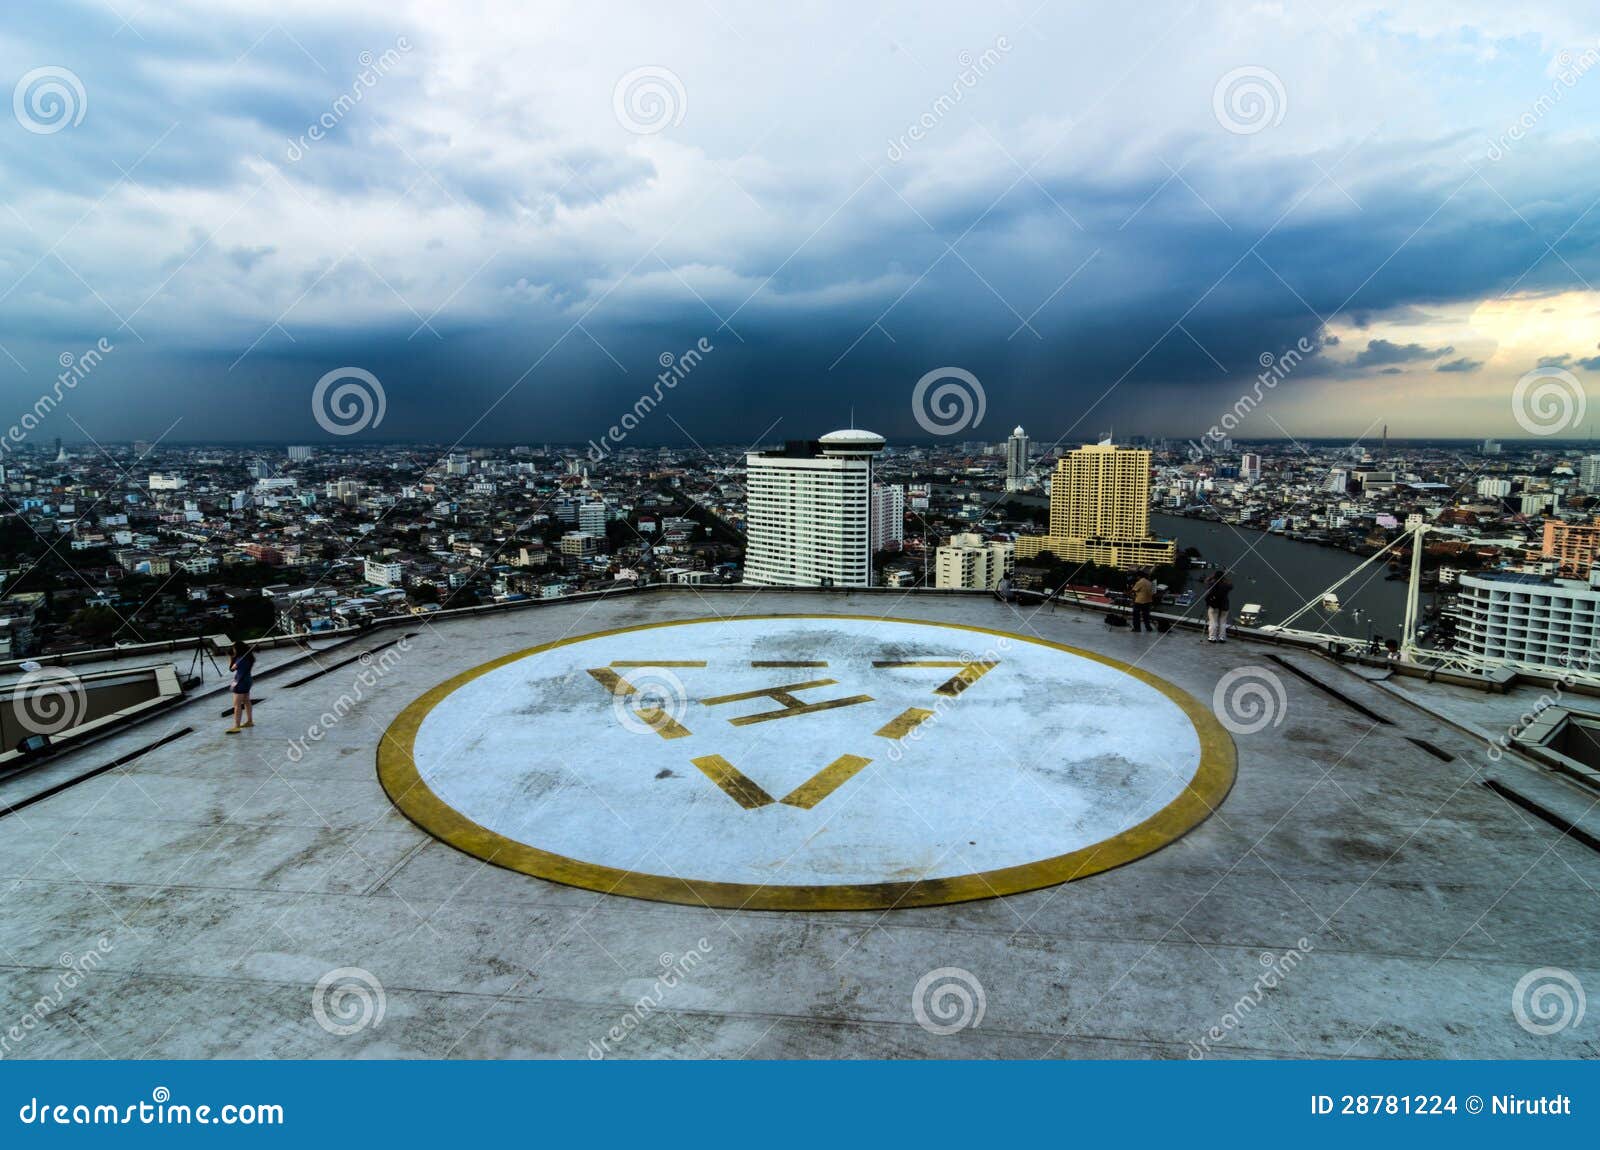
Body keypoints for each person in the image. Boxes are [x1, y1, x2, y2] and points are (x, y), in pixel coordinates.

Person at [226, 642, 256, 733]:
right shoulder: (248, 658)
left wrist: (231, 658)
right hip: (248, 680)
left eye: (234, 648)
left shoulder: (240, 660)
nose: (233, 649)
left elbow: (232, 669)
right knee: (247, 701)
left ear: (238, 649)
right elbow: (233, 669)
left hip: (241, 682)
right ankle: (249, 721)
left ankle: (236, 726)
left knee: (237, 704)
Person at [1204, 570, 1233, 643]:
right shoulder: (1226, 585)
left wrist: (1212, 577)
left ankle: (1212, 637)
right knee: (1223, 622)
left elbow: (1206, 581)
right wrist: (1225, 578)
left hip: (1214, 605)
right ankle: (1222, 637)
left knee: (1213, 621)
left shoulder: (1212, 584)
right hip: (1224, 605)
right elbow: (1231, 585)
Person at [1130, 568, 1155, 633]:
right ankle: (1148, 628)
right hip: (1148, 601)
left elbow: (1133, 591)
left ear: (1139, 576)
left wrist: (1127, 592)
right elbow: (1152, 592)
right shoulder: (1149, 582)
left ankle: (1137, 628)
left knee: (1136, 616)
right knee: (1146, 616)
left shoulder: (1140, 582)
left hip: (1139, 601)